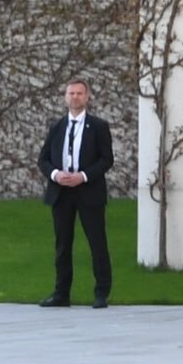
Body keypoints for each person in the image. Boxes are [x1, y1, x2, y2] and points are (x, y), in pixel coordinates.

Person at [38, 79, 114, 309]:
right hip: (61, 193)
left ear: (87, 97)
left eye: (80, 93)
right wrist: (55, 175)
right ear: (65, 97)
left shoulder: (98, 126)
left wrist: (83, 176)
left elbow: (106, 159)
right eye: (71, 93)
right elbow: (43, 160)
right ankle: (61, 293)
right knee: (63, 244)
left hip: (88, 192)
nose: (75, 97)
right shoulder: (57, 127)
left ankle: (101, 292)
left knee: (97, 242)